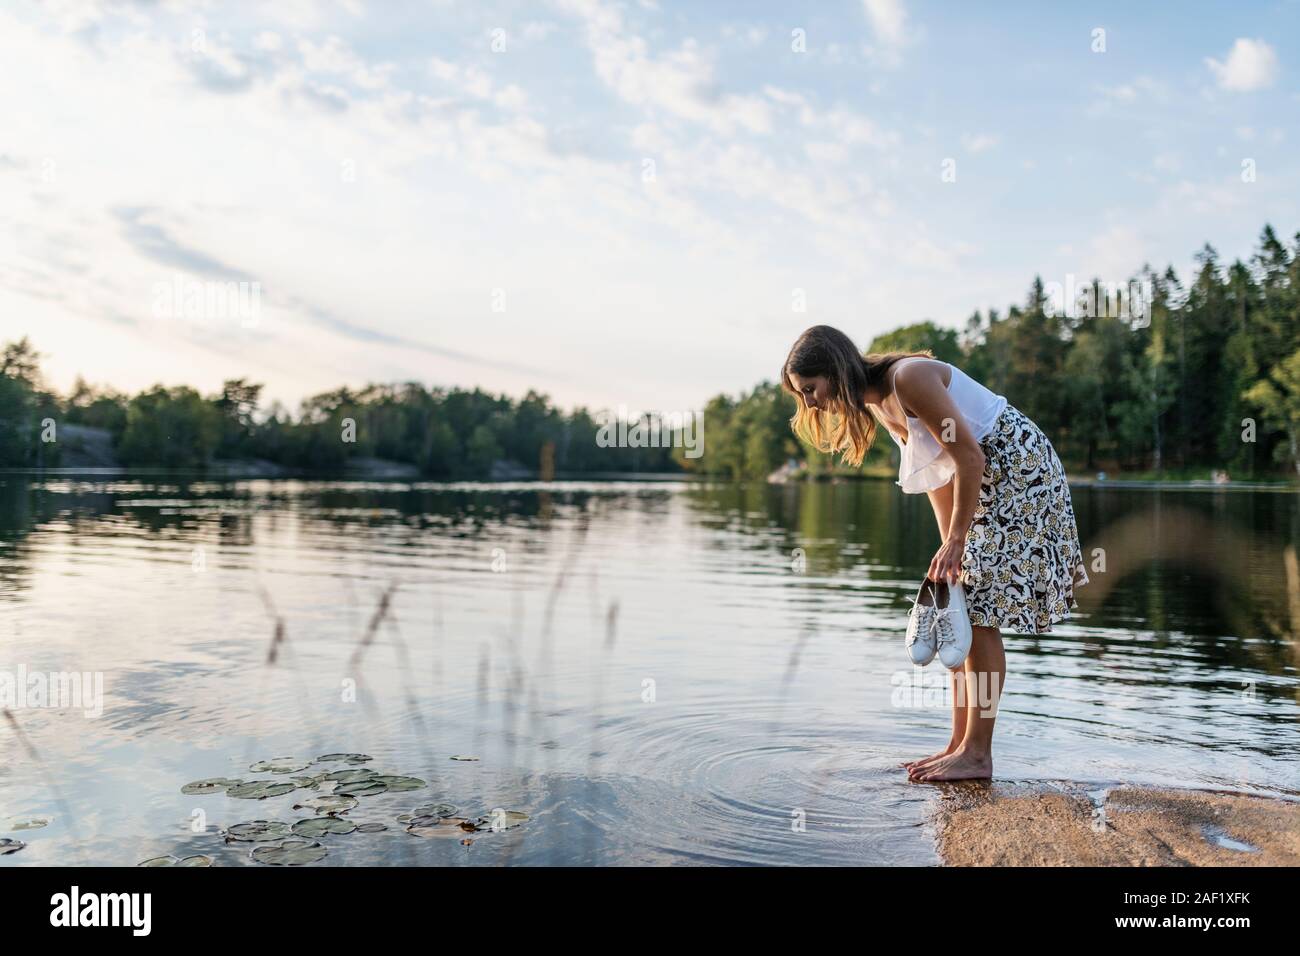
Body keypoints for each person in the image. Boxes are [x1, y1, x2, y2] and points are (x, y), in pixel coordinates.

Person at [780, 325, 1087, 782]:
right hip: (984, 478)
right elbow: (937, 476)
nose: (810, 403)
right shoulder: (881, 402)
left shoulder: (909, 378)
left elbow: (969, 458)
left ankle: (977, 755)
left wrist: (958, 541)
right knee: (960, 607)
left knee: (980, 615)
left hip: (1019, 470)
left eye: (810, 389)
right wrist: (949, 553)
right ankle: (958, 744)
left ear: (834, 370)